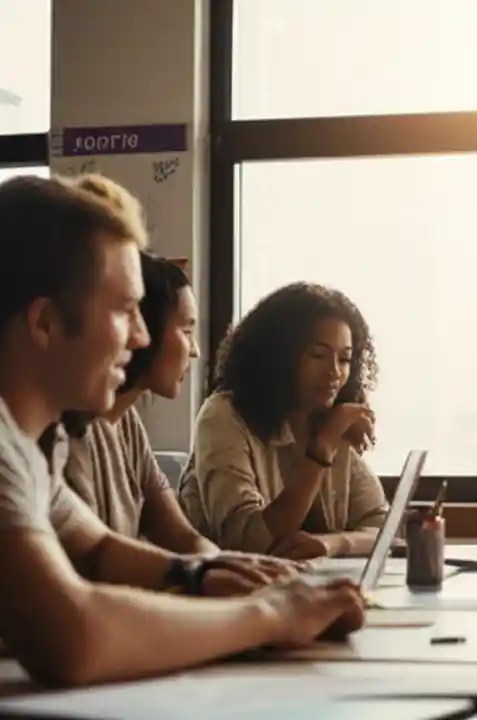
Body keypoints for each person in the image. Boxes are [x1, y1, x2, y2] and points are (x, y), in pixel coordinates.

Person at [0, 174, 363, 688]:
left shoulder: (31, 444)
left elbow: (96, 546)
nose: (142, 336)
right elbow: (75, 638)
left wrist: (199, 574)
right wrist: (274, 615)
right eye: (126, 311)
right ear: (45, 324)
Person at [61, 248, 294, 592]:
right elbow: (88, 586)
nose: (196, 350)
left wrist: (237, 571)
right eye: (186, 331)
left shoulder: (124, 423)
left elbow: (180, 538)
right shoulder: (59, 432)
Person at [180, 283, 388, 560]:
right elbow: (247, 541)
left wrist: (333, 544)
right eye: (318, 355)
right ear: (279, 355)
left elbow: (384, 526)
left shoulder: (328, 418)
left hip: (301, 588)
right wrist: (322, 449)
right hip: (227, 590)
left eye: (345, 359)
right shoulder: (223, 416)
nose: (335, 372)